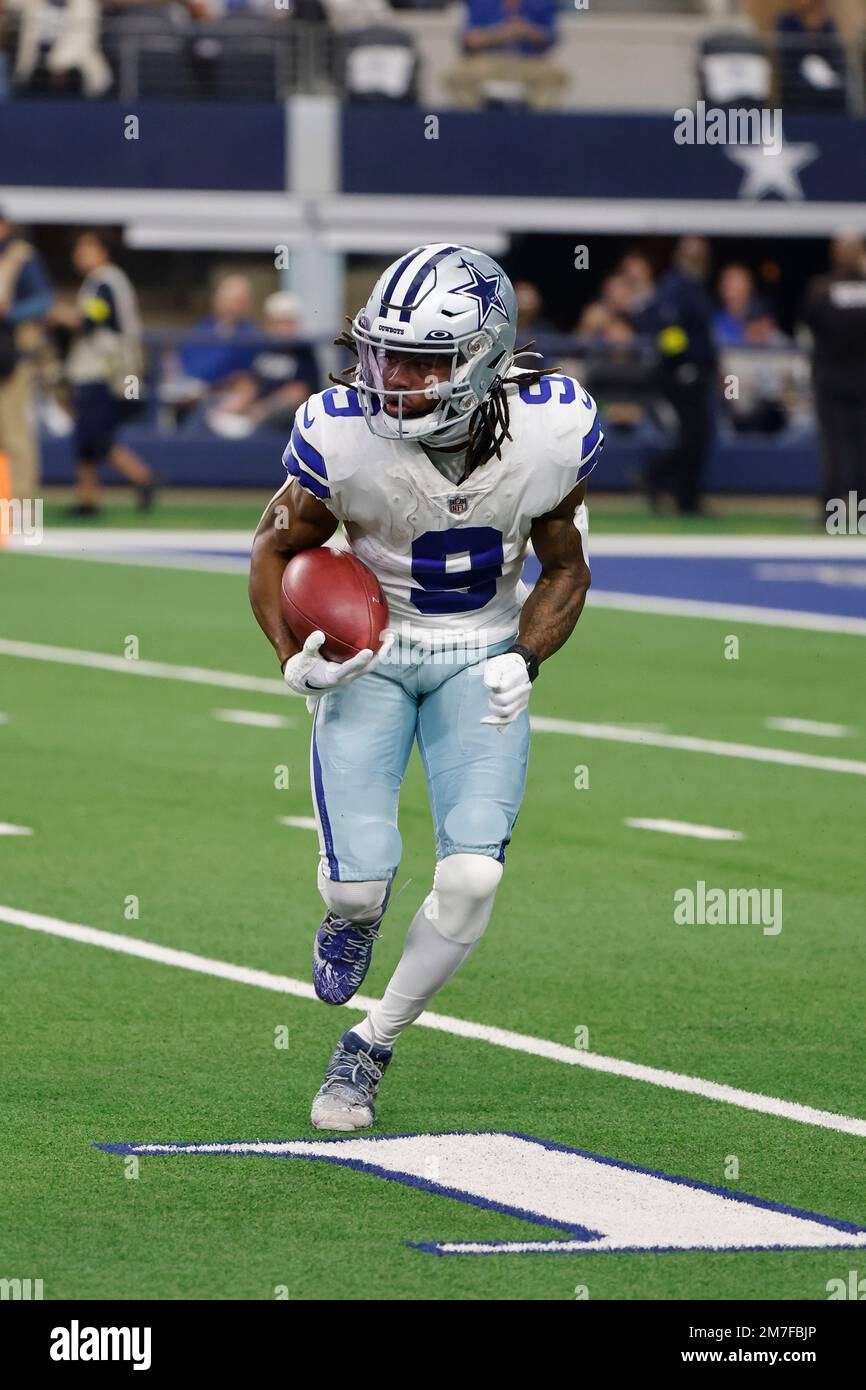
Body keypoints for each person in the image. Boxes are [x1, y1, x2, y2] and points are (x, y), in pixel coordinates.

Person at [249, 243, 601, 1130]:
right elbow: (275, 550)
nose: (391, 378)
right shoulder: (343, 432)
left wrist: (524, 657)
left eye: (420, 360)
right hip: (371, 655)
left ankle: (369, 1046)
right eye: (381, 352)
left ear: (482, 360)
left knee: (475, 877)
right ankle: (351, 918)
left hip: (477, 653)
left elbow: (565, 570)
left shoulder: (551, 430)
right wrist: (292, 654)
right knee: (356, 889)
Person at [55, 229, 156, 516]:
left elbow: (91, 320)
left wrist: (59, 314)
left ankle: (134, 480)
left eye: (85, 249)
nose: (78, 256)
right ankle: (94, 495)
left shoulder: (106, 280)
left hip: (103, 370)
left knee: (92, 435)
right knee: (91, 436)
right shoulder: (101, 281)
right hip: (105, 369)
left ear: (101, 251)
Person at [634, 237, 718, 515]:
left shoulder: (694, 286)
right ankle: (655, 475)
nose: (699, 261)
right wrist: (682, 364)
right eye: (694, 255)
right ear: (682, 257)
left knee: (698, 436)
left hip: (697, 372)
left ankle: (687, 498)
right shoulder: (676, 286)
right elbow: (669, 327)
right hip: (680, 374)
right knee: (695, 436)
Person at [801, 233, 866, 519]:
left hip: (830, 379)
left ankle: (832, 512)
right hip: (856, 379)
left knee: (835, 447)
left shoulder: (820, 288)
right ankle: (860, 513)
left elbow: (809, 327)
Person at [204, 290, 319, 438]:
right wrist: (236, 404)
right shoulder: (263, 348)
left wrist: (262, 410)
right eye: (278, 322)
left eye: (288, 322)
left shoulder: (304, 351)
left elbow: (298, 392)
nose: (283, 329)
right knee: (208, 409)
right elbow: (250, 382)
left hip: (283, 418)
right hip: (253, 413)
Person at [0, 207, 54, 502]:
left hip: (14, 355)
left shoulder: (21, 255)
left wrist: (9, 314)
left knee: (14, 432)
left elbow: (44, 301)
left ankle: (20, 504)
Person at [445, 0, 566, 111]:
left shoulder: (540, 3)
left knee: (554, 77)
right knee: (457, 76)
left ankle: (538, 128)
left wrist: (526, 30)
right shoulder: (481, 3)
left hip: (527, 61)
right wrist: (499, 34)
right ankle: (472, 125)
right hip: (490, 60)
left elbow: (550, 37)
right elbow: (470, 39)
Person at [777, 0, 846, 113]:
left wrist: (818, 30)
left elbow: (834, 53)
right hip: (797, 77)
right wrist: (809, 33)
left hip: (825, 77)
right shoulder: (787, 21)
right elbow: (790, 56)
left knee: (837, 91)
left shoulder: (826, 23)